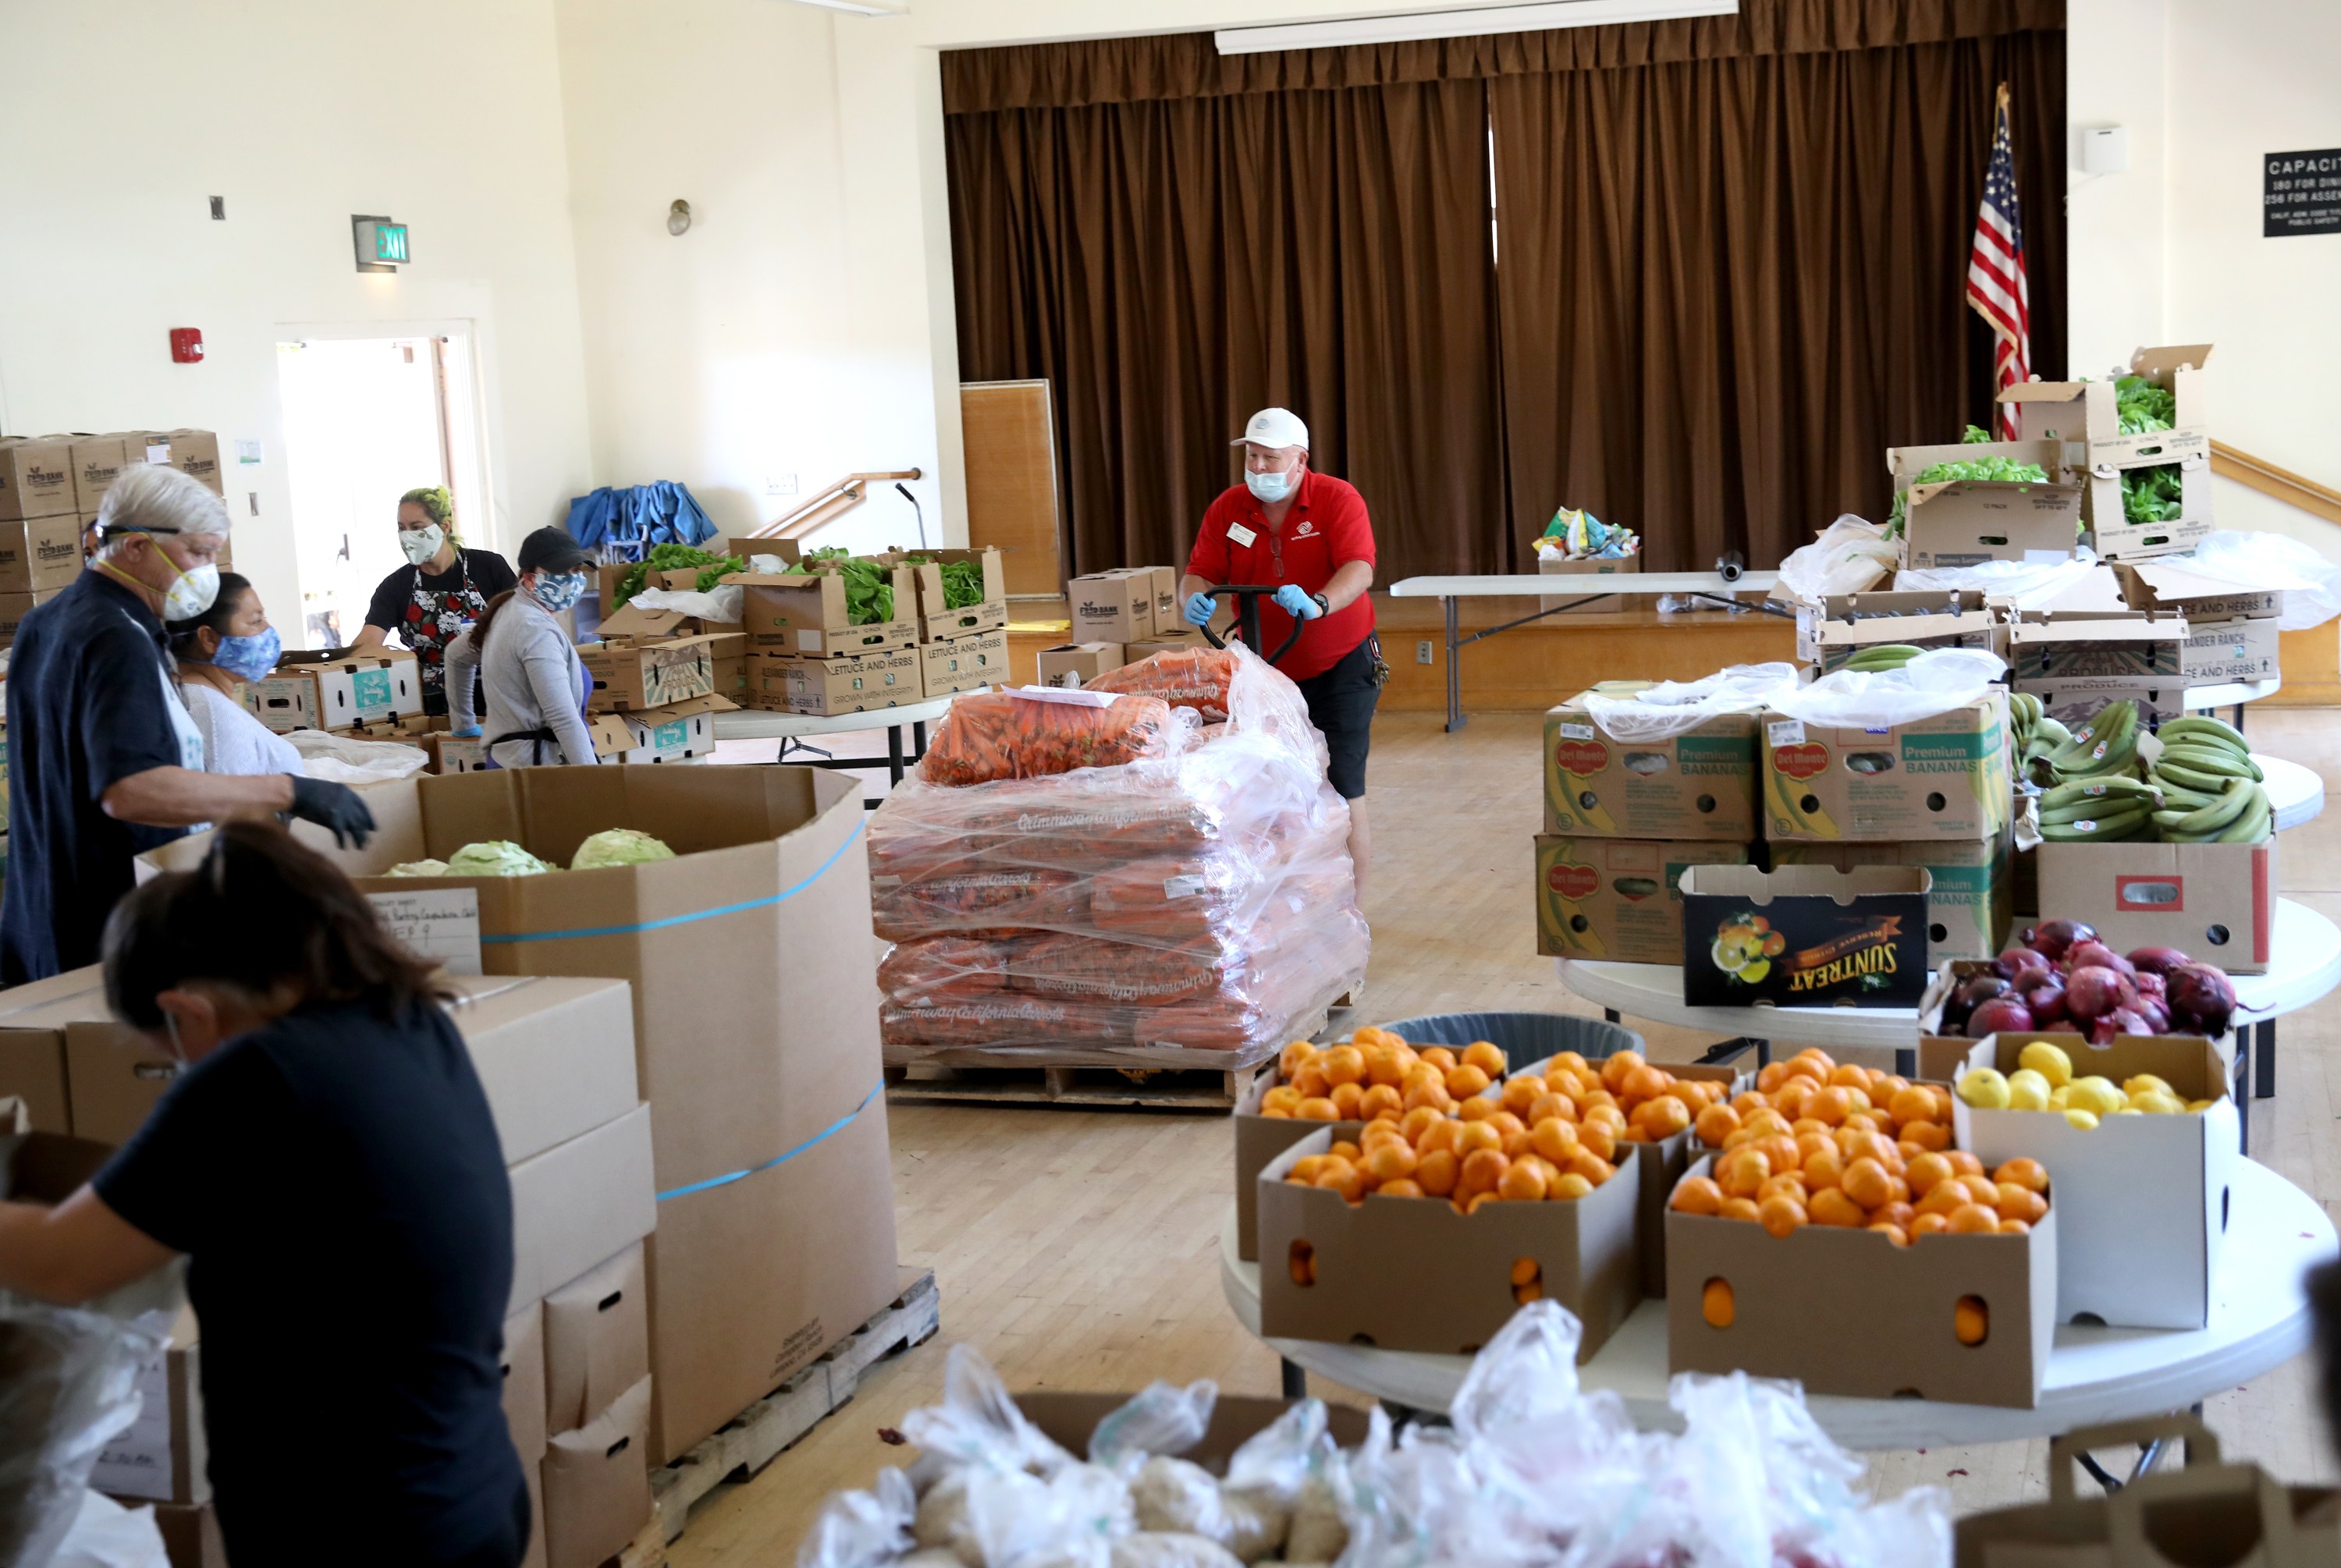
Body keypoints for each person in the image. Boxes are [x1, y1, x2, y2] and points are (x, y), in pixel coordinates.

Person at [0, 822, 529, 1568]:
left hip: (360, 1528)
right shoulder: (408, 1023)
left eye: (166, 1051)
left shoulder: (261, 1076)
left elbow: (64, 1264)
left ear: (187, 1013)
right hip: (470, 1492)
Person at [0, 466, 375, 983]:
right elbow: (132, 790)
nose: (208, 571)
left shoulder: (51, 619)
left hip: (44, 911)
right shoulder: (118, 638)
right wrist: (287, 791)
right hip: (115, 924)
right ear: (135, 548)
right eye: (198, 554)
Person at [1180, 406, 1384, 894]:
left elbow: (1361, 567)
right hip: (1264, 671)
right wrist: (1193, 598)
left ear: (1300, 460)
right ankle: (1283, 902)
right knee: (1266, 785)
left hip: (1341, 666)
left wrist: (1319, 603)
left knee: (1340, 782)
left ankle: (1350, 907)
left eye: (1271, 459)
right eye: (1252, 457)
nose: (1259, 469)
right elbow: (1199, 571)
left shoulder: (1337, 499)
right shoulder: (1229, 508)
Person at [348, 486, 517, 718]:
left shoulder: (489, 568)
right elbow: (367, 643)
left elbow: (523, 626)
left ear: (444, 527)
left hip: (495, 699)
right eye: (401, 528)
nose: (407, 536)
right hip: (429, 707)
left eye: (416, 528)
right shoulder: (396, 586)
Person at [442, 525, 602, 768]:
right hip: (538, 772)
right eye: (562, 572)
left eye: (576, 570)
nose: (573, 579)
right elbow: (563, 718)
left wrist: (463, 725)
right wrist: (597, 779)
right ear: (529, 579)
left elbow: (455, 654)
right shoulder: (536, 629)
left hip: (507, 762)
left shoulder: (507, 611)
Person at [167, 571, 304, 777]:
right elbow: (233, 804)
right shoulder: (214, 716)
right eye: (256, 621)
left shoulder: (196, 698)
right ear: (209, 639)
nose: (268, 630)